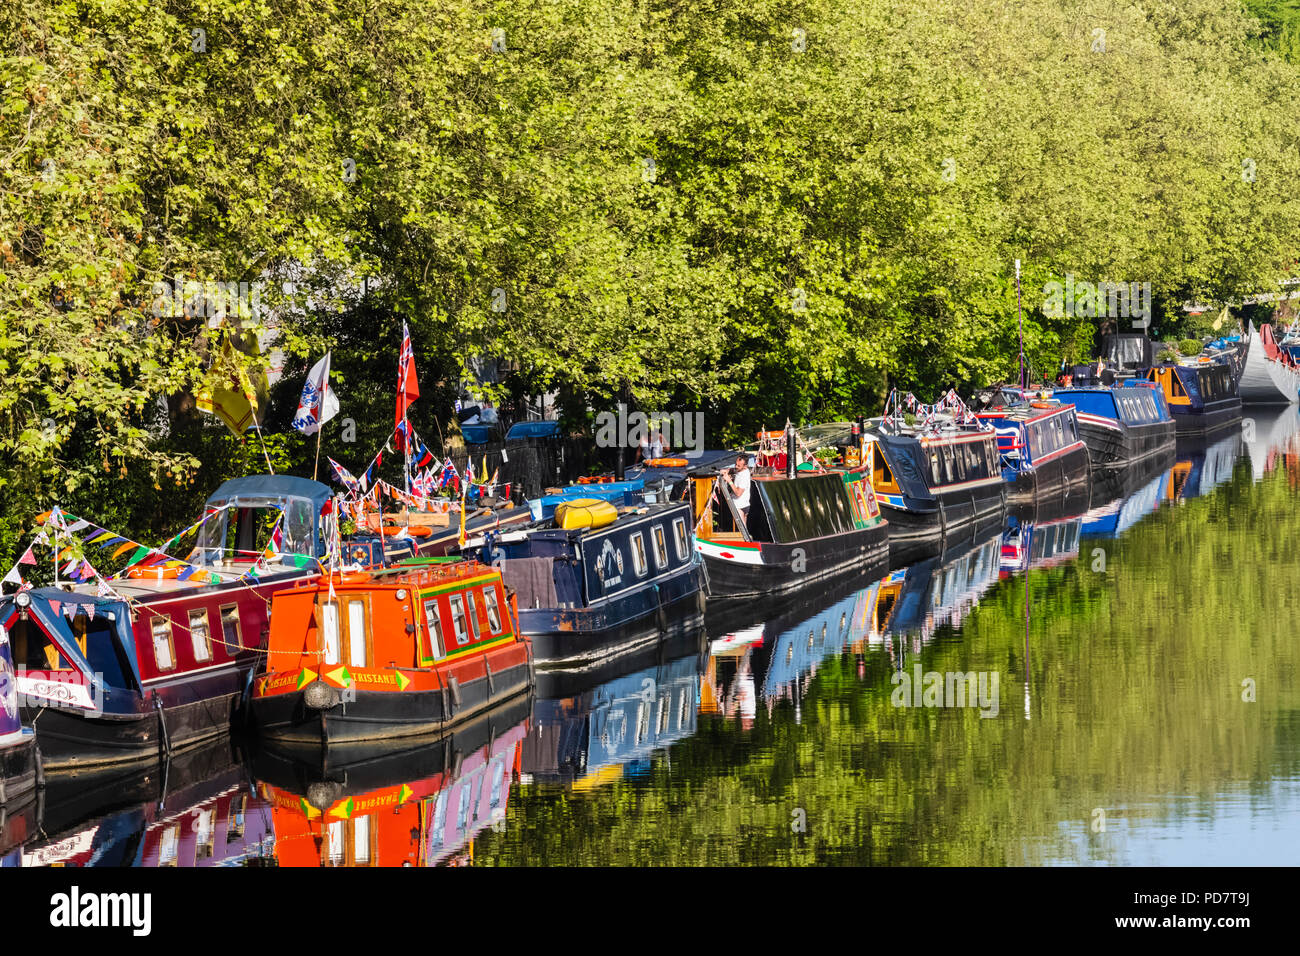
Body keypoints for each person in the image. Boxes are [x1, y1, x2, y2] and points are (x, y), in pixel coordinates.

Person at [724, 454, 752, 528]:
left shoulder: (744, 476)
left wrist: (729, 481)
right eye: (736, 464)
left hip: (739, 505)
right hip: (745, 504)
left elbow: (738, 493)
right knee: (743, 529)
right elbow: (733, 470)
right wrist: (725, 471)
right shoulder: (741, 470)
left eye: (738, 466)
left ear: (745, 466)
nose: (736, 466)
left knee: (742, 530)